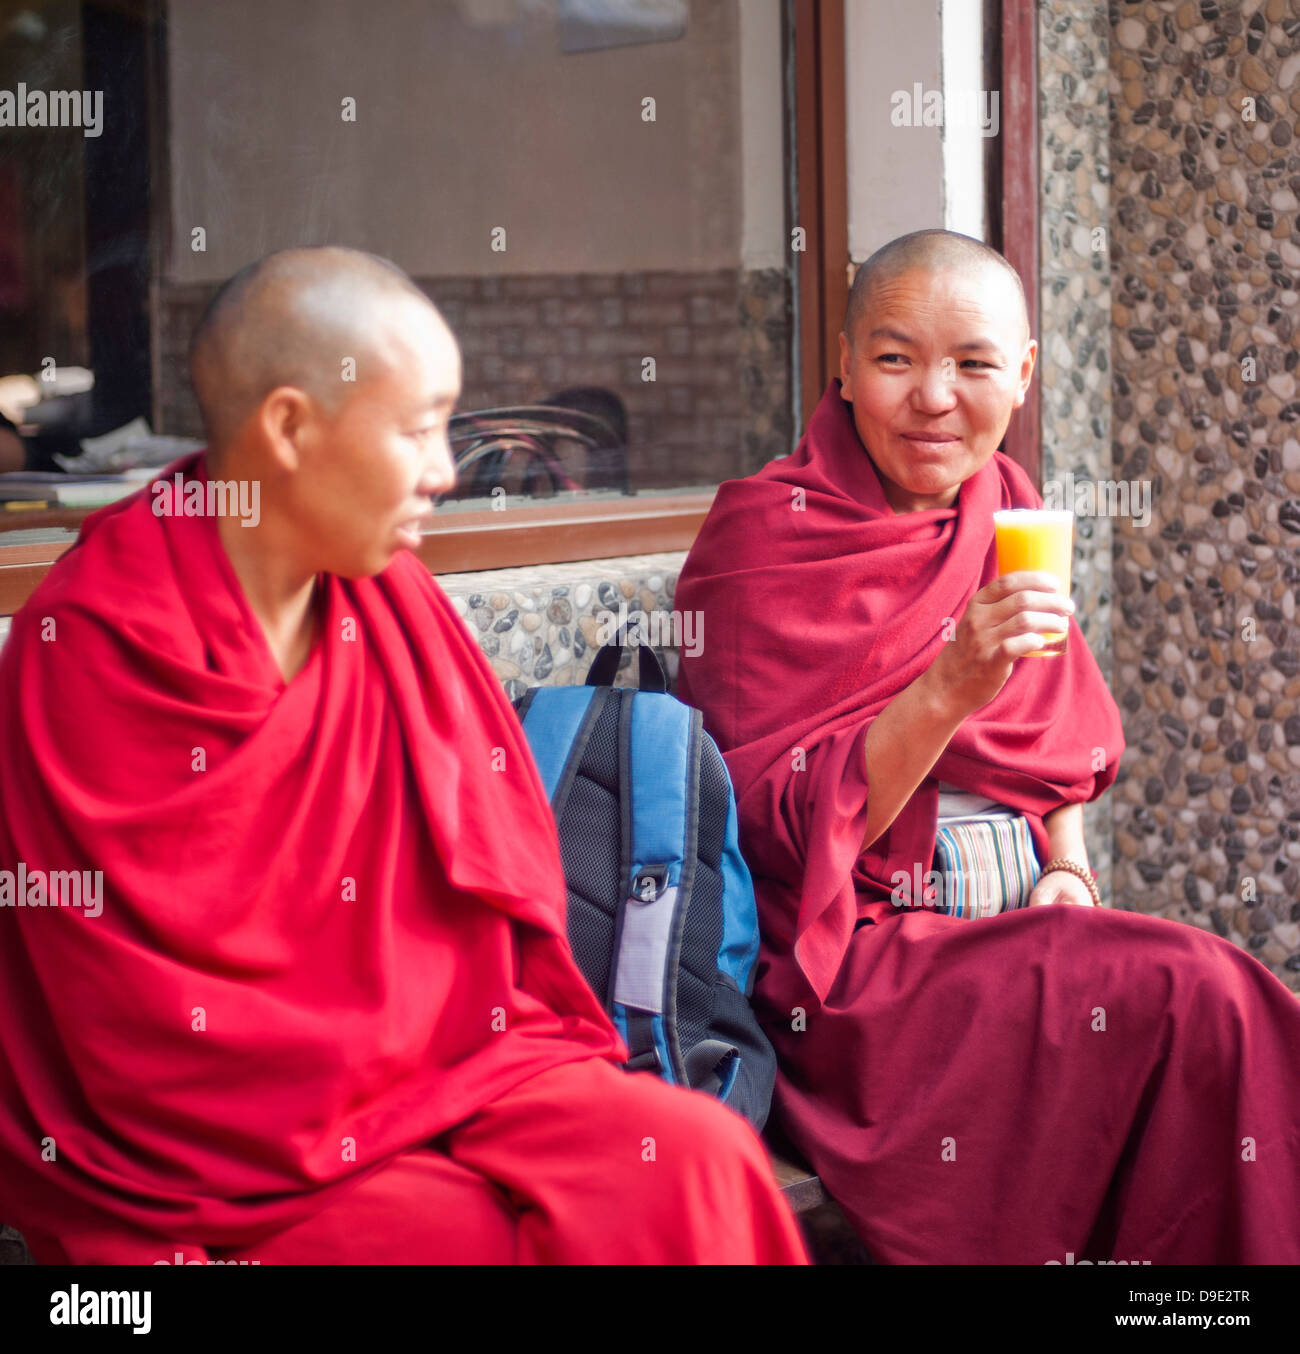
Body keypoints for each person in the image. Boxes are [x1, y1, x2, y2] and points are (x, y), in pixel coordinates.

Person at [0, 246, 808, 1266]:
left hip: (456, 1062)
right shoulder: (99, 646)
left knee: (694, 1161)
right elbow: (133, 1018)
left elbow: (494, 898)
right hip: (226, 1142)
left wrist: (442, 1071)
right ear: (288, 428)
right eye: (417, 428)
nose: (443, 469)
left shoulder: (388, 599)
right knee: (462, 1236)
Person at [674, 228, 1300, 1265]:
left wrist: (1071, 871)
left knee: (1206, 1031)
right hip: (863, 964)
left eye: (970, 363)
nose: (931, 397)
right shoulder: (761, 536)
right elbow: (777, 833)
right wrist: (949, 684)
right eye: (893, 358)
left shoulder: (1004, 506)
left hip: (1025, 919)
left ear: (1022, 373)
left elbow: (1057, 740)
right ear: (840, 363)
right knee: (1204, 995)